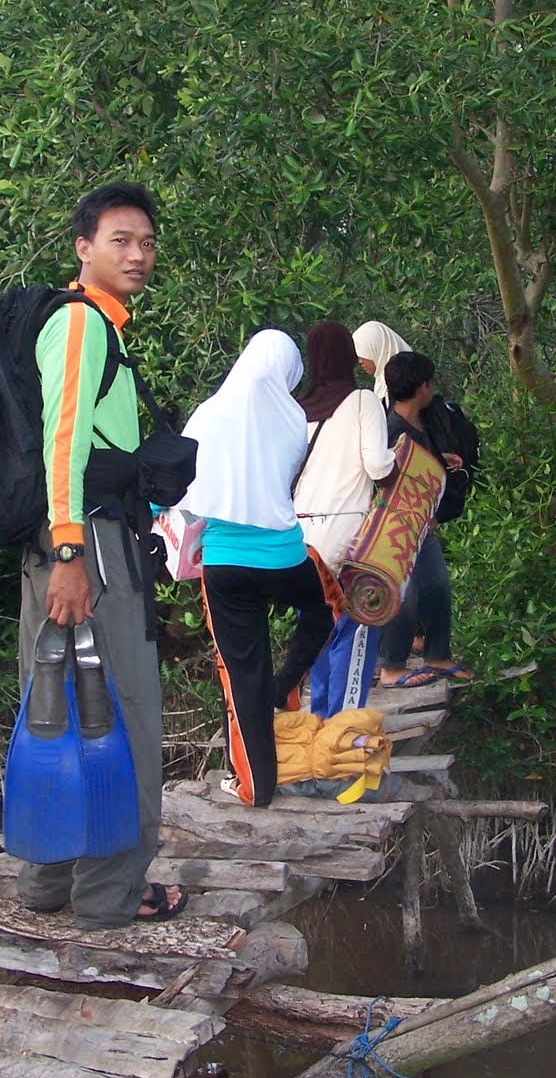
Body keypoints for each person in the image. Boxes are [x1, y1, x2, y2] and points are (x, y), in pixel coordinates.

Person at [16, 182, 184, 926]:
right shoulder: (82, 324)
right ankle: (110, 901)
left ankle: (49, 889)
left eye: (146, 242)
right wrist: (70, 551)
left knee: (59, 714)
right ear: (84, 248)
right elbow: (64, 443)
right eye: (121, 240)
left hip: (75, 543)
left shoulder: (86, 324)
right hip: (88, 546)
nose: (138, 254)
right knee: (126, 718)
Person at [178, 330, 344, 808]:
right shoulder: (294, 418)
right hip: (285, 556)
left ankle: (256, 786)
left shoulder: (207, 413)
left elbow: (181, 480)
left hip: (226, 561)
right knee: (322, 612)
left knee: (241, 671)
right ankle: (286, 686)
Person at [375, 351, 474, 688]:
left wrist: (441, 463)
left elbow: (419, 464)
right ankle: (393, 665)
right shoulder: (392, 430)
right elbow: (389, 480)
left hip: (425, 524)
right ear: (421, 387)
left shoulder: (423, 422)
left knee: (436, 585)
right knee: (405, 594)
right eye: (430, 383)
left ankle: (438, 655)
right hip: (401, 528)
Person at [293, 321, 395, 570]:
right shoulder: (363, 401)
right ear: (348, 354)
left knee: (313, 606)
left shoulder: (296, 409)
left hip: (299, 537)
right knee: (350, 607)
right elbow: (379, 467)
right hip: (347, 536)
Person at [352, 320, 412, 407]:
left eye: (365, 353)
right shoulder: (382, 384)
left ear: (378, 348)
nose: (360, 361)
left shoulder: (404, 384)